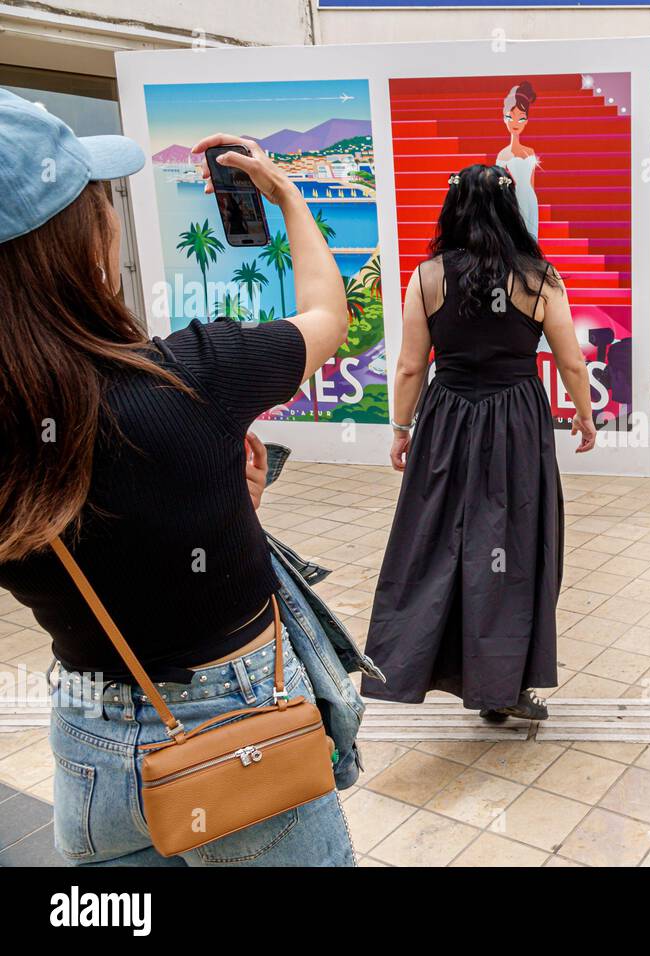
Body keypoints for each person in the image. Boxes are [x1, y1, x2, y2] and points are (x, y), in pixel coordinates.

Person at [0, 89, 355, 866]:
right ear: (80, 240)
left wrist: (222, 509)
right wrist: (287, 194)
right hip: (235, 728)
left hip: (88, 739)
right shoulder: (196, 373)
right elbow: (331, 314)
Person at [360, 163, 595, 720]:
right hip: (516, 420)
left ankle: (429, 669)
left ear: (453, 210)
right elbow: (571, 362)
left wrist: (401, 428)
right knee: (513, 547)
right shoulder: (540, 277)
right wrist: (584, 417)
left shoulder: (428, 276)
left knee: (438, 544)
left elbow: (411, 367)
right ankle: (503, 686)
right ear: (512, 212)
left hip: (447, 420)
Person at [496, 81, 540, 238]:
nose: (515, 123)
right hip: (512, 201)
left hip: (529, 199)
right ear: (504, 118)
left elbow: (532, 185)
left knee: (530, 238)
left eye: (521, 118)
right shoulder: (502, 155)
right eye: (510, 117)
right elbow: (498, 188)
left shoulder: (530, 152)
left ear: (526, 121)